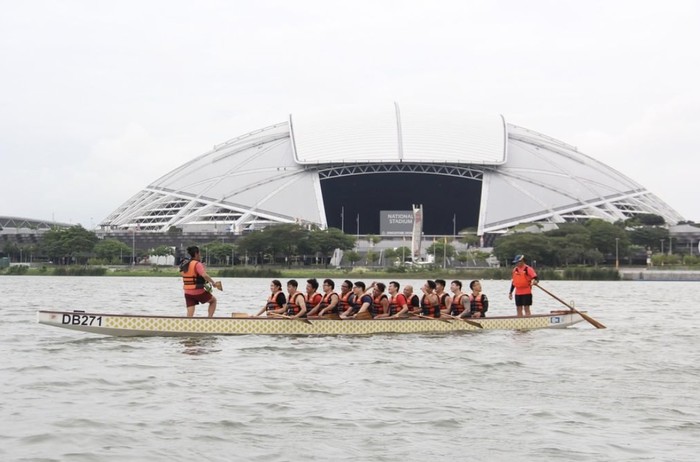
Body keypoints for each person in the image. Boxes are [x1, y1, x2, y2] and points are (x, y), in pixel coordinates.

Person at [179, 245, 222, 317]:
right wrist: (213, 283)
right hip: (197, 291)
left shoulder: (185, 264)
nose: (200, 255)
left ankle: (188, 323)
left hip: (187, 292)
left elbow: (184, 273)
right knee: (213, 301)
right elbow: (204, 275)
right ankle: (209, 319)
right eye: (199, 253)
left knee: (190, 313)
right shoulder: (197, 264)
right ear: (196, 254)